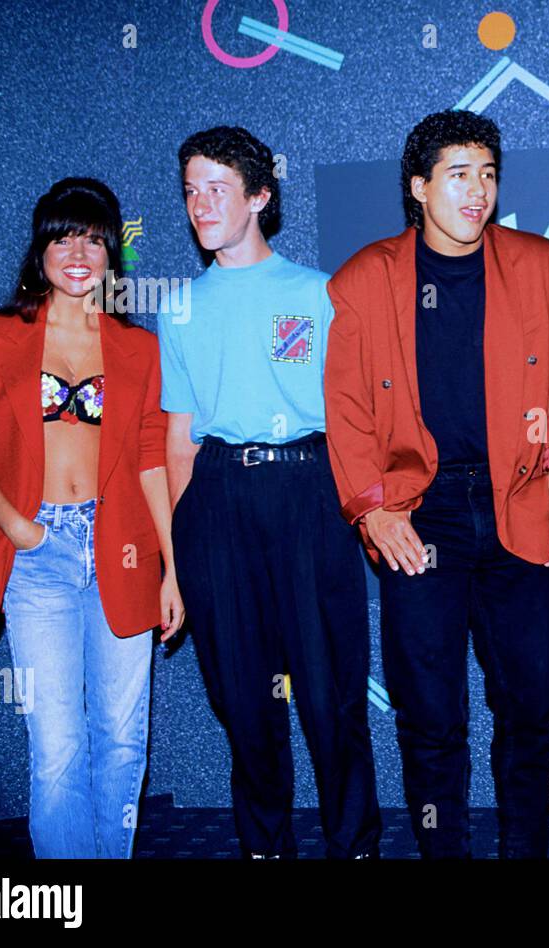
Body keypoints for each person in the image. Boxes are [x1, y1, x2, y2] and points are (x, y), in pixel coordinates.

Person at [324, 110, 549, 859]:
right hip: (419, 515)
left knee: (528, 704)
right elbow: (347, 409)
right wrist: (371, 510)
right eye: (459, 174)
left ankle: (525, 850)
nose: (478, 191)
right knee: (430, 712)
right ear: (418, 187)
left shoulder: (542, 265)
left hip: (516, 503)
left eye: (489, 174)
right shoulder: (365, 279)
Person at [0, 177, 181, 858]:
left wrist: (172, 569)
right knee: (58, 744)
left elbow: (150, 458)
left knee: (123, 738)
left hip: (123, 550)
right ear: (40, 249)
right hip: (36, 554)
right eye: (63, 237)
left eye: (94, 238)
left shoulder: (138, 349)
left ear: (111, 253)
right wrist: (18, 526)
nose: (78, 252)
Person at [160, 126, 380, 859]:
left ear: (261, 195)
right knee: (242, 697)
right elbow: (179, 439)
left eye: (217, 187)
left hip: (309, 489)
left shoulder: (320, 293)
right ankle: (265, 846)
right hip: (217, 498)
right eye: (190, 190)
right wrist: (174, 561)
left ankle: (354, 844)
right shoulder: (179, 308)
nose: (200, 204)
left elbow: (355, 416)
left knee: (328, 690)